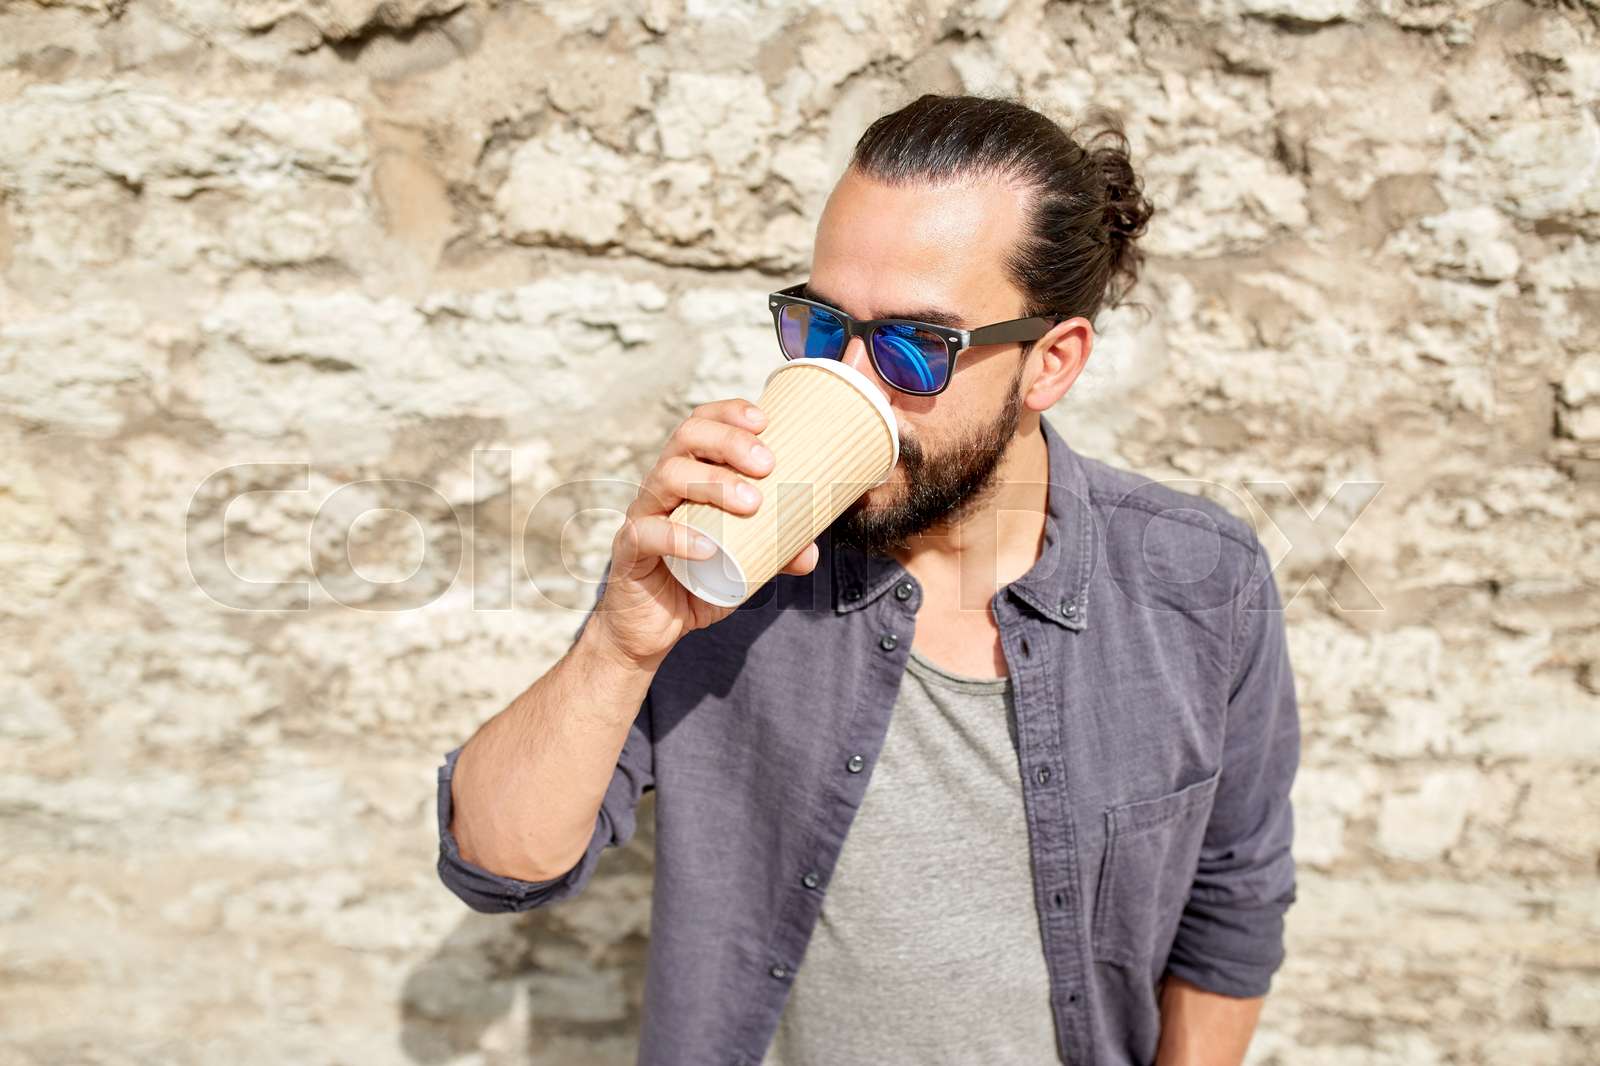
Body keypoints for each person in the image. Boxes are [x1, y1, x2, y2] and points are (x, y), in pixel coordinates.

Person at [435, 93, 1300, 1066]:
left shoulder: (1198, 580)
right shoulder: (727, 558)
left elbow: (1233, 895)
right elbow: (495, 862)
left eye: (911, 349)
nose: (849, 375)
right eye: (820, 324)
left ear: (1050, 363)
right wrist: (624, 639)